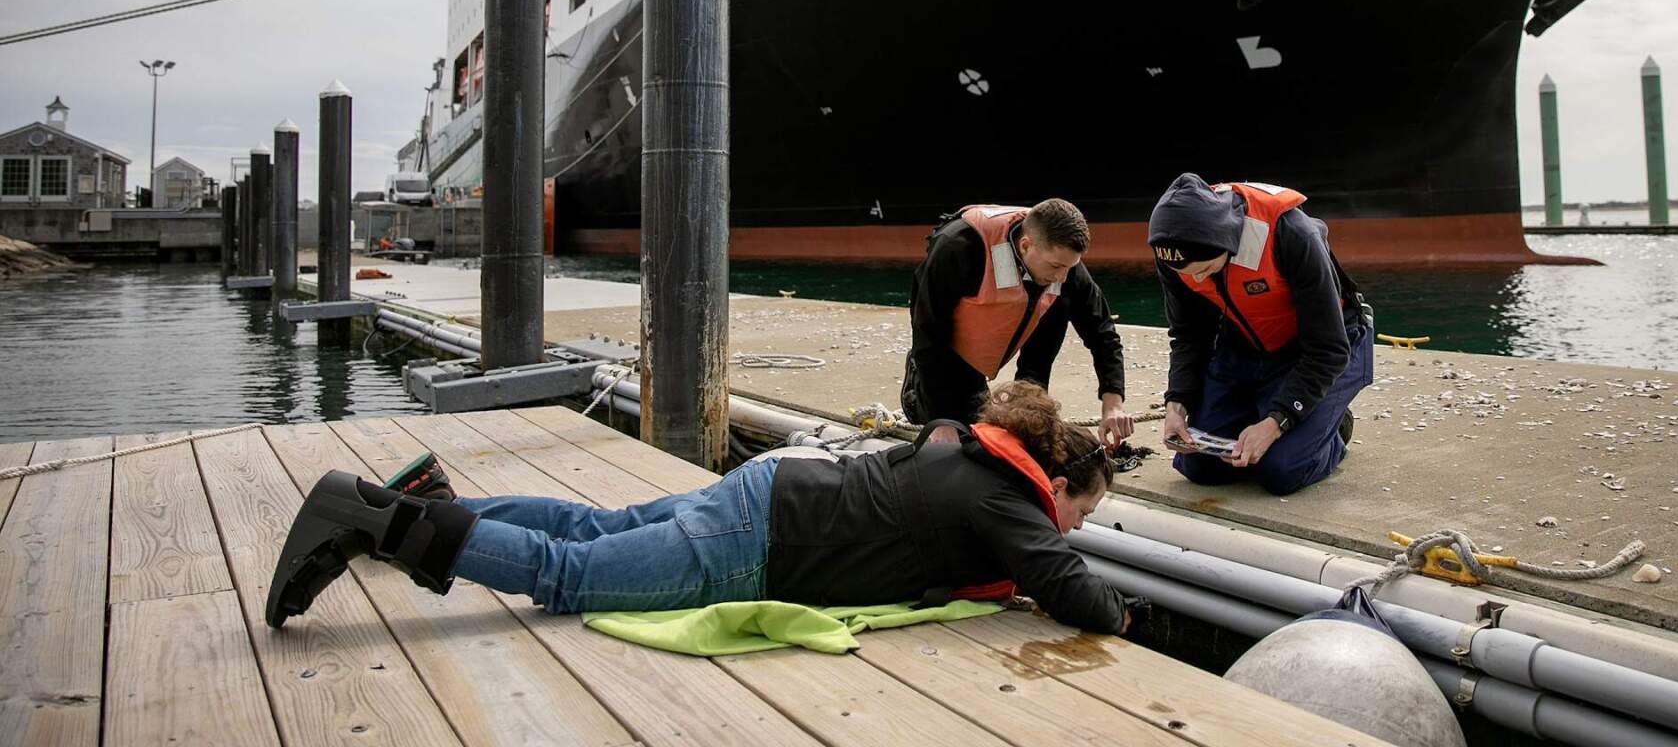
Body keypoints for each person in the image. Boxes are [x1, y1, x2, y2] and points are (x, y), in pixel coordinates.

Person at [264, 382, 1129, 636]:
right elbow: (1073, 590)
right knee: (570, 576)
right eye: (1081, 512)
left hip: (768, 492)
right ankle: (377, 521)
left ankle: (416, 506)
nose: (1075, 528)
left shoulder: (970, 450)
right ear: (1055, 482)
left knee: (595, 527)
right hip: (757, 546)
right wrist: (1120, 613)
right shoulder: (1011, 500)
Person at [1148, 173, 1374, 496]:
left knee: (1281, 471)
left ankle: (1335, 428)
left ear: (1225, 241)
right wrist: (1177, 403)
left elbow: (1329, 348)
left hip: (1326, 346)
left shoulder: (1292, 234)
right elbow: (1189, 334)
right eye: (1186, 273)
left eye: (1205, 269)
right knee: (1199, 464)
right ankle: (1274, 410)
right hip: (1247, 343)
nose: (1196, 280)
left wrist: (1276, 421)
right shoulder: (1175, 255)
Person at [900, 198, 1133, 448]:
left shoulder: (1063, 262)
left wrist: (1113, 404)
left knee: (1029, 434)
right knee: (964, 435)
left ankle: (1027, 400)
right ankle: (917, 390)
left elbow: (1102, 333)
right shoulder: (958, 247)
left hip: (1033, 335)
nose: (1062, 276)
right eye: (1056, 266)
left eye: (1069, 267)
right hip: (953, 352)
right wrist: (941, 420)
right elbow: (927, 332)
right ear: (1025, 246)